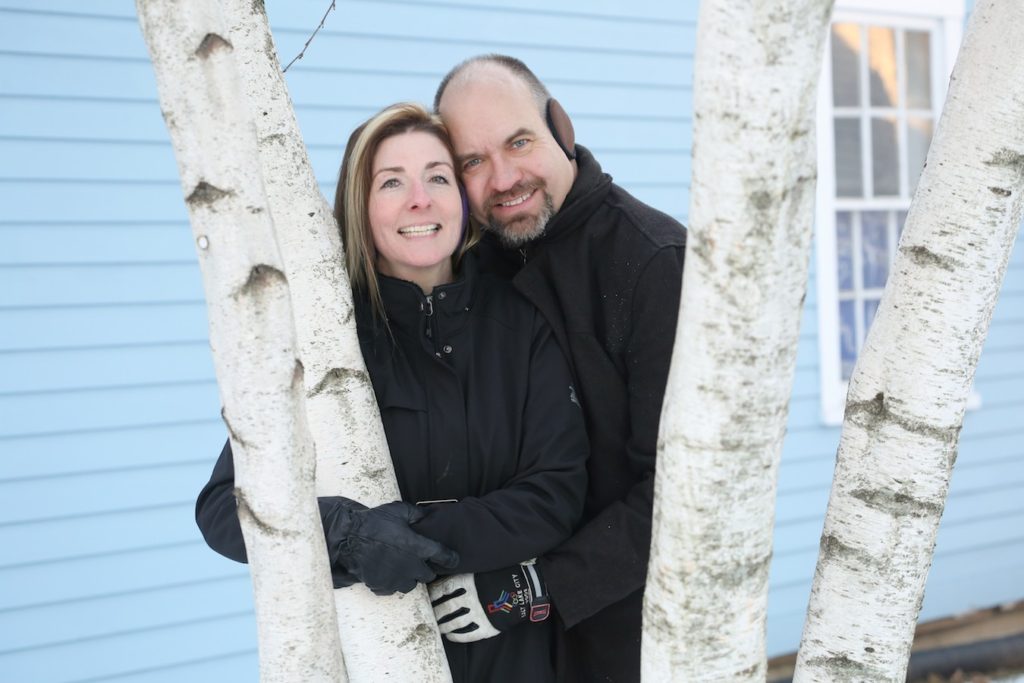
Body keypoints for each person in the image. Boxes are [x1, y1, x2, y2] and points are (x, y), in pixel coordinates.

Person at [195, 102, 589, 683]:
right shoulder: (326, 340)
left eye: (437, 176)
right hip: (367, 662)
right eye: (391, 183)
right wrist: (352, 537)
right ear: (361, 206)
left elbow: (556, 493)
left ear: (462, 197)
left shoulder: (523, 321)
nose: (419, 200)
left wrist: (411, 536)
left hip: (516, 660)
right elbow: (227, 511)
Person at [430, 55, 687, 682]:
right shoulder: (469, 269)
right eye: (473, 162)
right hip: (500, 655)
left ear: (560, 127)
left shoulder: (654, 263)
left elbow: (685, 492)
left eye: (519, 141)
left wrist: (537, 585)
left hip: (630, 642)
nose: (504, 177)